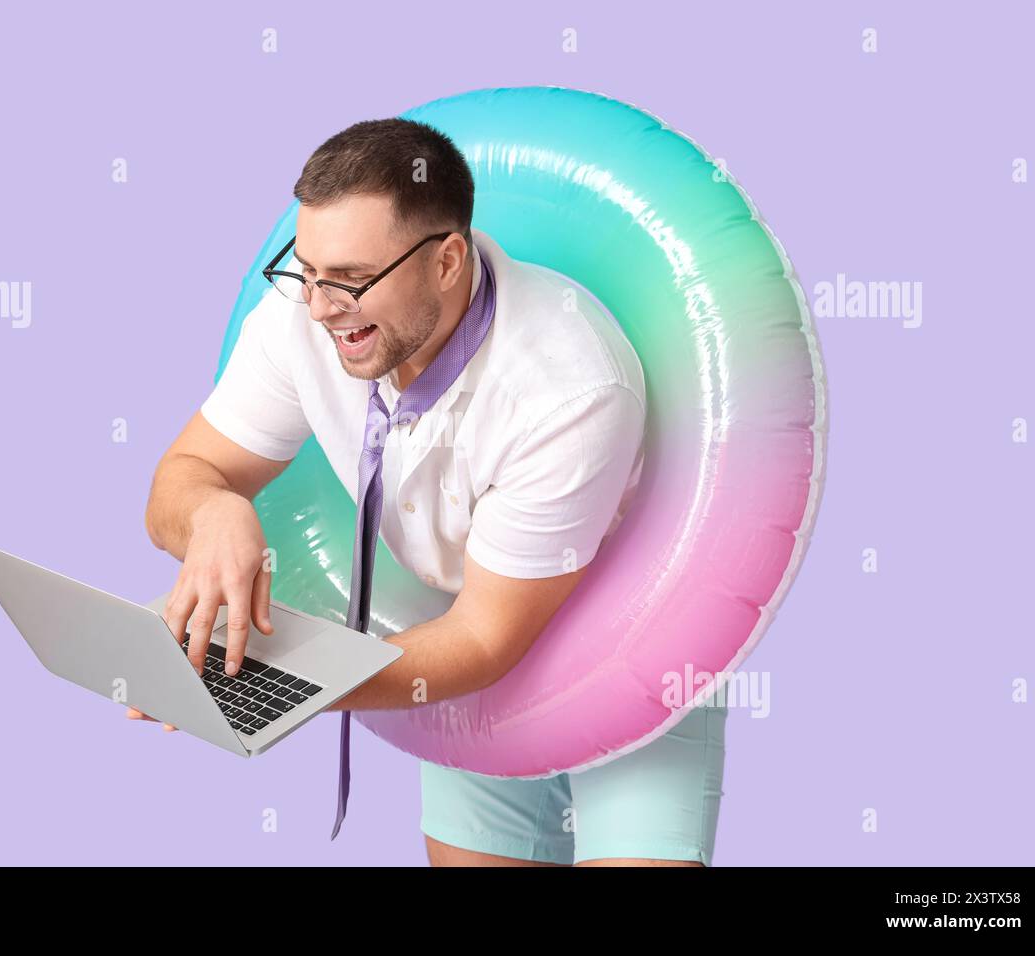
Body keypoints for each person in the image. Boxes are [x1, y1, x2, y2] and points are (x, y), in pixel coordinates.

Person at [136, 117, 727, 866]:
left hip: (632, 636)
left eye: (349, 280)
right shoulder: (304, 319)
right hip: (457, 629)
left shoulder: (567, 386)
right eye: (307, 272)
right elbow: (180, 478)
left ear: (447, 262)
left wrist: (268, 686)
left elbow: (486, 638)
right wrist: (215, 511)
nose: (319, 307)